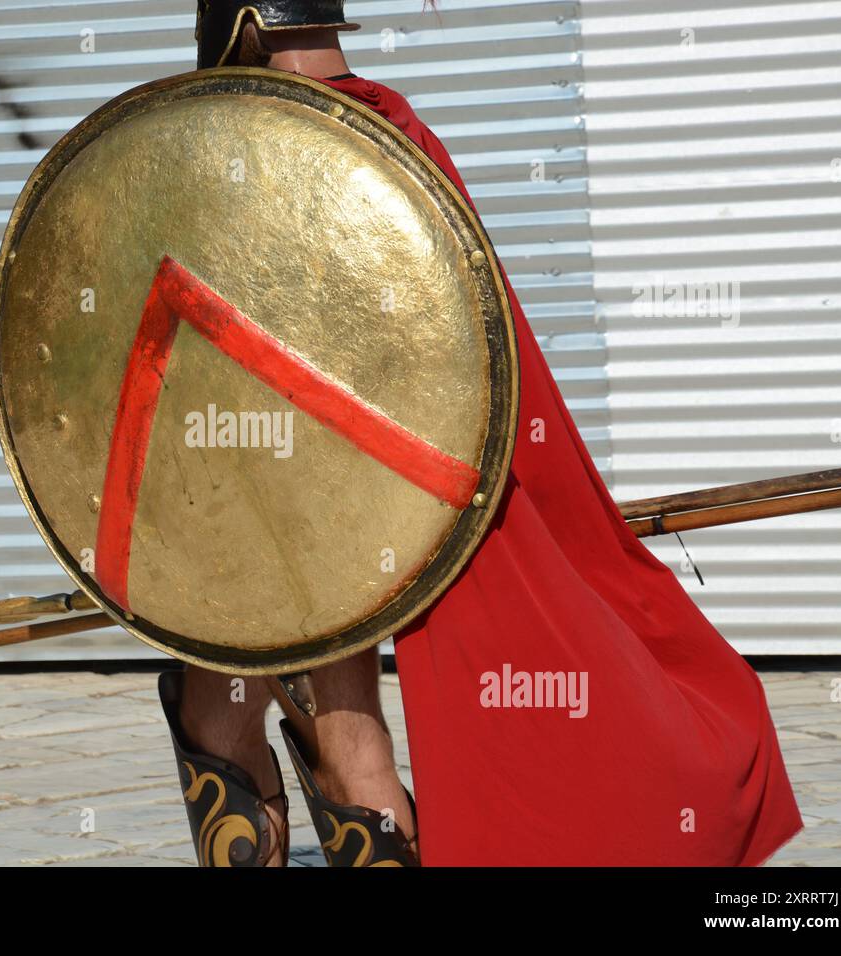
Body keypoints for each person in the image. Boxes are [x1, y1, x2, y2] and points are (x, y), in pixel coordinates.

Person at [160, 0, 803, 867]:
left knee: (330, 498)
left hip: (343, 510)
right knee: (282, 475)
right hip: (291, 507)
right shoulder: (378, 134)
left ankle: (264, 736)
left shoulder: (334, 144)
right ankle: (297, 746)